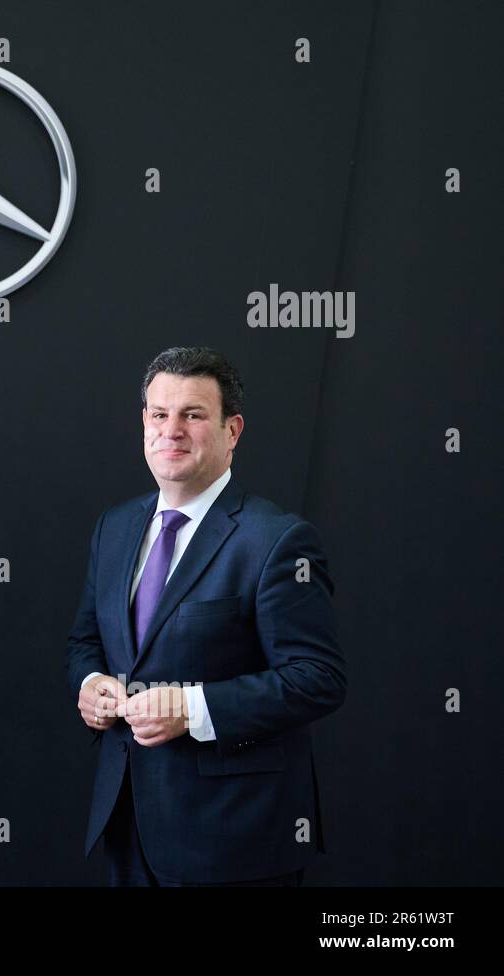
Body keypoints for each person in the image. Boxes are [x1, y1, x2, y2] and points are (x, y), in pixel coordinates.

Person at [66, 346, 345, 886]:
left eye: (192, 415)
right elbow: (85, 640)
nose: (171, 431)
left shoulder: (277, 540)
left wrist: (191, 708)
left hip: (234, 836)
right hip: (128, 824)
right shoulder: (115, 527)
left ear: (232, 429)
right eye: (158, 414)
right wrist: (91, 681)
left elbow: (319, 679)